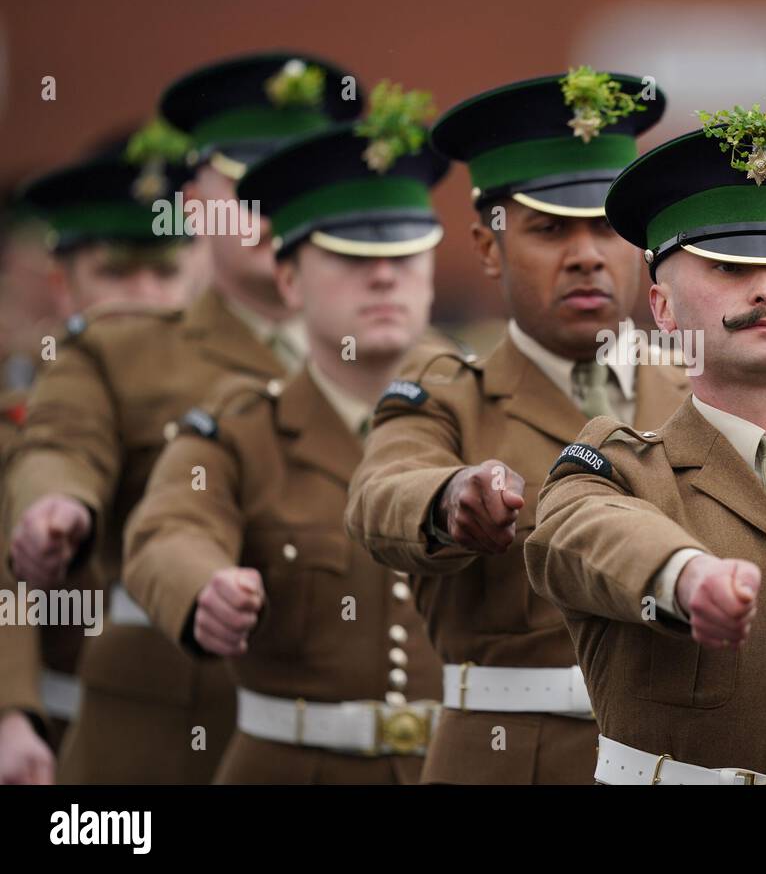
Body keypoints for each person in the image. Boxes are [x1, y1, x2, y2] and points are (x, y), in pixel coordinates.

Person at [2, 51, 362, 783]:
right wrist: (54, 507)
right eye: (247, 186)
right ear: (195, 203)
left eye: (297, 181)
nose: (273, 206)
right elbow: (60, 445)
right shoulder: (117, 352)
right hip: (163, 739)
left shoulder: (399, 359)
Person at [345, 69, 688, 784]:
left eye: (605, 228)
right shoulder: (448, 398)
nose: (587, 254)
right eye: (550, 229)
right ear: (489, 246)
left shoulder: (699, 392)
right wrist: (448, 499)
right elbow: (382, 491)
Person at [524, 87, 766, 784]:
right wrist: (685, 576)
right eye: (730, 267)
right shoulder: (616, 469)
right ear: (663, 308)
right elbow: (584, 535)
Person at [124, 99, 446, 783]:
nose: (384, 275)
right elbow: (169, 529)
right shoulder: (240, 431)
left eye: (403, 253)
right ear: (291, 277)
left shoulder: (486, 419)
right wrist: (203, 586)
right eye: (351, 255)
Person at [0, 137, 200, 783]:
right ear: (62, 284)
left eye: (164, 273)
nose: (142, 296)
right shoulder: (20, 420)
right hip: (64, 740)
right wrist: (9, 714)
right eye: (115, 273)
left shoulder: (235, 409)